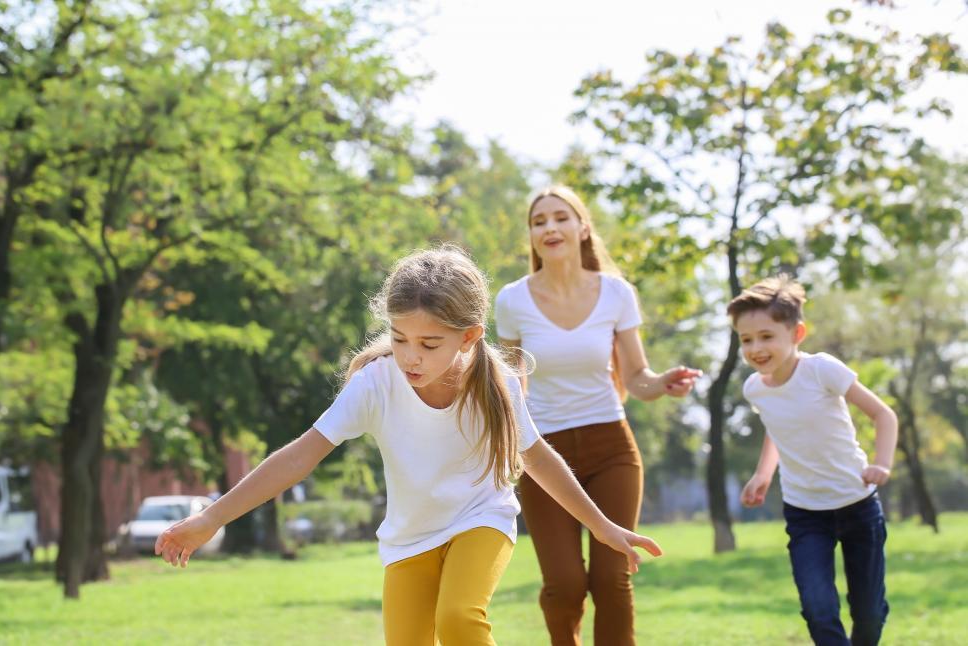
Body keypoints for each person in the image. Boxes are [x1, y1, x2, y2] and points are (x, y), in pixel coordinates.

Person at [154, 246, 663, 646]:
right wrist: (211, 517)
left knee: (460, 617)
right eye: (399, 339)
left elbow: (537, 458)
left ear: (468, 337)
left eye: (428, 344)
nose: (410, 357)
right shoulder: (376, 383)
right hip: (409, 537)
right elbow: (300, 455)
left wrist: (602, 526)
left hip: (479, 519)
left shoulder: (498, 381)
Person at [494, 185, 700, 645]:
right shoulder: (511, 300)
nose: (550, 227)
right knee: (565, 584)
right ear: (531, 236)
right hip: (544, 454)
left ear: (583, 228)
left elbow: (638, 378)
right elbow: (510, 388)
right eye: (539, 220)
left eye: (560, 217)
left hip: (612, 448)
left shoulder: (615, 293)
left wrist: (663, 382)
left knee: (612, 577)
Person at [730, 275, 897, 646]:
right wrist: (762, 474)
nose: (756, 347)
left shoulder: (822, 370)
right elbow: (778, 425)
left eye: (766, 336)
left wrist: (881, 464)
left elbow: (884, 415)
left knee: (868, 613)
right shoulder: (755, 387)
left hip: (857, 503)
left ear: (797, 333)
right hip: (805, 513)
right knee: (818, 609)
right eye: (746, 339)